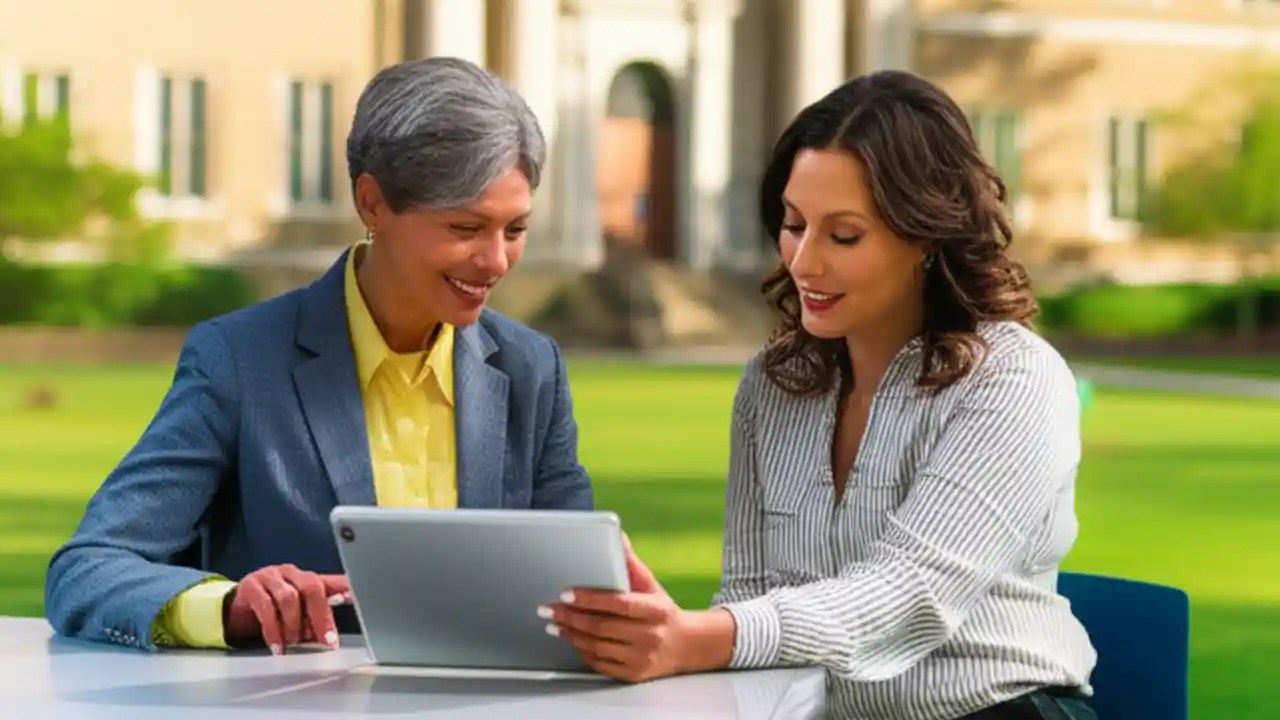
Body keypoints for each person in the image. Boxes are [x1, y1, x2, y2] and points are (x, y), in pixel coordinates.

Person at [543, 70, 1098, 719]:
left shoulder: (1013, 380)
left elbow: (909, 593)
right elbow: (747, 595)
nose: (803, 261)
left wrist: (704, 637)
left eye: (843, 235)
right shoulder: (770, 385)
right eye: (793, 223)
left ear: (925, 234)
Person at [45, 57, 593, 656]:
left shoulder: (531, 369)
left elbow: (578, 591)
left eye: (514, 229)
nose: (496, 261)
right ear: (373, 203)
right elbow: (89, 567)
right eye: (465, 228)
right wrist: (228, 607)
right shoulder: (240, 361)